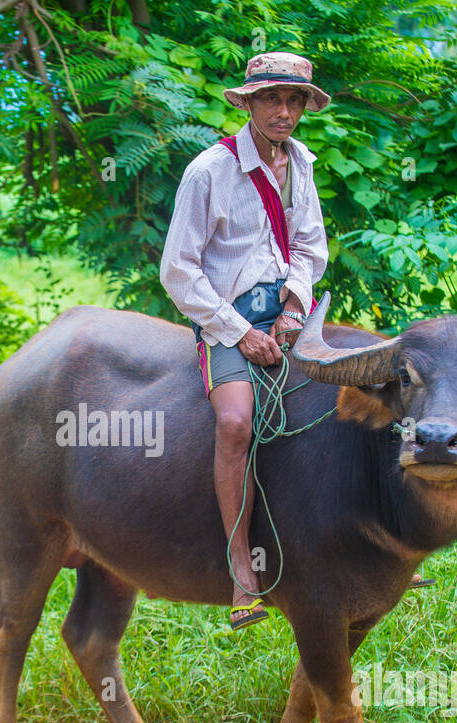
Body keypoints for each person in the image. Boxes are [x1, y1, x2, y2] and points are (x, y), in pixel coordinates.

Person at [160, 51, 331, 629]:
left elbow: (310, 248)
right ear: (249, 104)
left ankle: (346, 546)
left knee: (349, 400)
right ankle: (241, 571)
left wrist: (293, 305)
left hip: (286, 317)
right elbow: (178, 271)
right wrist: (239, 332)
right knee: (236, 423)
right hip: (224, 319)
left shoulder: (302, 164)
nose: (284, 111)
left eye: (294, 101)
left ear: (306, 106)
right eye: (271, 100)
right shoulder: (210, 170)